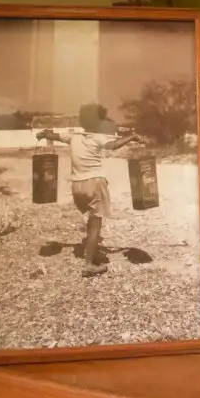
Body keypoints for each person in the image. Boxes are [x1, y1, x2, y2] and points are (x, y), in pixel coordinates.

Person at [36, 103, 141, 278]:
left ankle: (92, 251)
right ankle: (88, 264)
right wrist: (132, 136)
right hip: (95, 183)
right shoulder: (98, 137)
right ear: (99, 122)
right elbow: (113, 145)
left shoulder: (73, 137)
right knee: (95, 224)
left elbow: (52, 135)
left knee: (91, 220)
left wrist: (44, 133)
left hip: (77, 185)